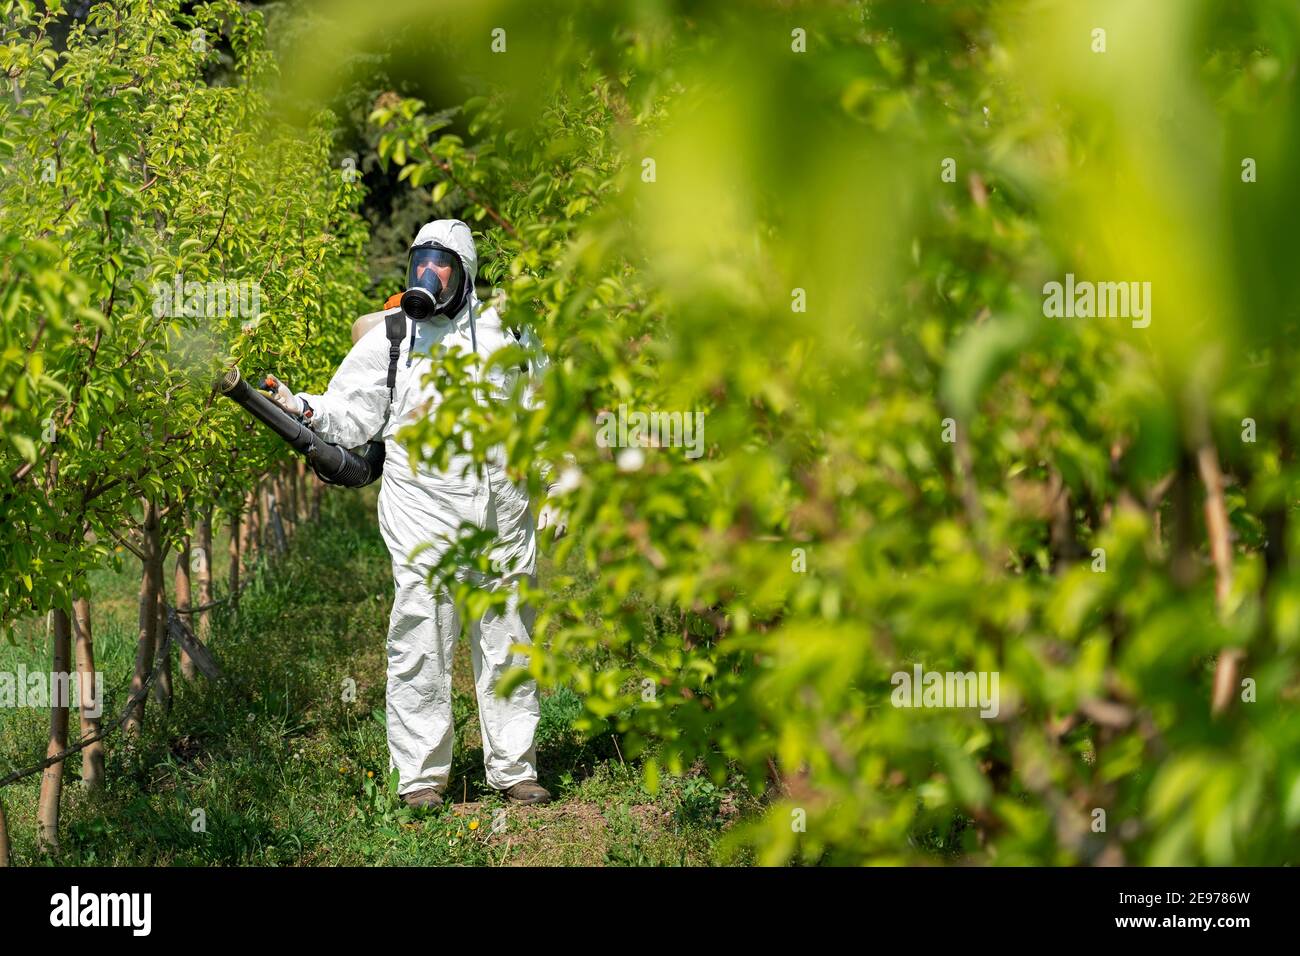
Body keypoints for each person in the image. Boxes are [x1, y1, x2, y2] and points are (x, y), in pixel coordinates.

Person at [267, 219, 561, 808]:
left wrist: (559, 480)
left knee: (508, 641)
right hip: (421, 517)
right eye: (420, 261)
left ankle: (514, 768)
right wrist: (299, 407)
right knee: (420, 641)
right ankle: (423, 778)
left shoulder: (512, 332)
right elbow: (350, 414)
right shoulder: (393, 337)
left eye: (441, 263)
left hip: (503, 516)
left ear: (466, 272)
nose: (428, 274)